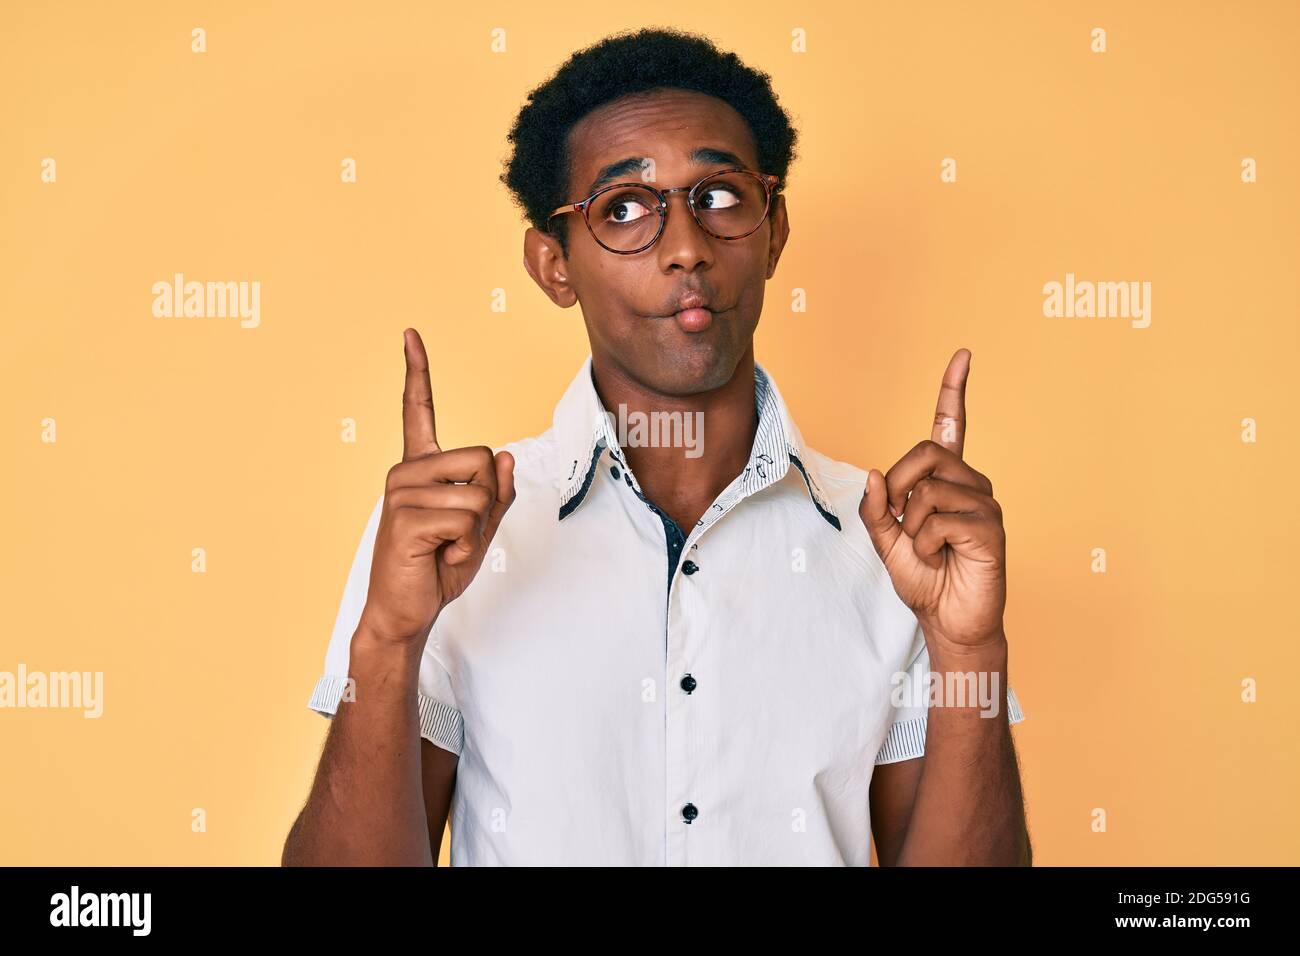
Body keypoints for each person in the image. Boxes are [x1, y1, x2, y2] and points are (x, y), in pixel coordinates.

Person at [281, 26, 1029, 866]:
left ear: (774, 229)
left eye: (718, 196)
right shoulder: (450, 540)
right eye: (624, 209)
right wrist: (385, 640)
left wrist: (971, 648)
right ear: (552, 266)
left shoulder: (894, 546)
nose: (686, 249)